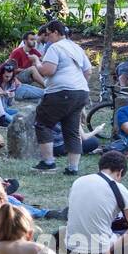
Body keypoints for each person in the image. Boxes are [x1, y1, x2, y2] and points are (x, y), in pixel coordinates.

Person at [32, 20, 92, 176]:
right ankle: (73, 167)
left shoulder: (55, 47)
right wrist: (78, 85)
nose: (47, 38)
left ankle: (48, 162)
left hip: (60, 92)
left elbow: (48, 70)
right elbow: (88, 71)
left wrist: (37, 62)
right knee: (72, 130)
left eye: (48, 34)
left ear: (56, 33)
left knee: (43, 123)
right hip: (81, 92)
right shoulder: (76, 47)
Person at [62, 150, 128, 254]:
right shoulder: (117, 187)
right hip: (101, 250)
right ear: (120, 172)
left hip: (71, 247)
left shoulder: (78, 181)